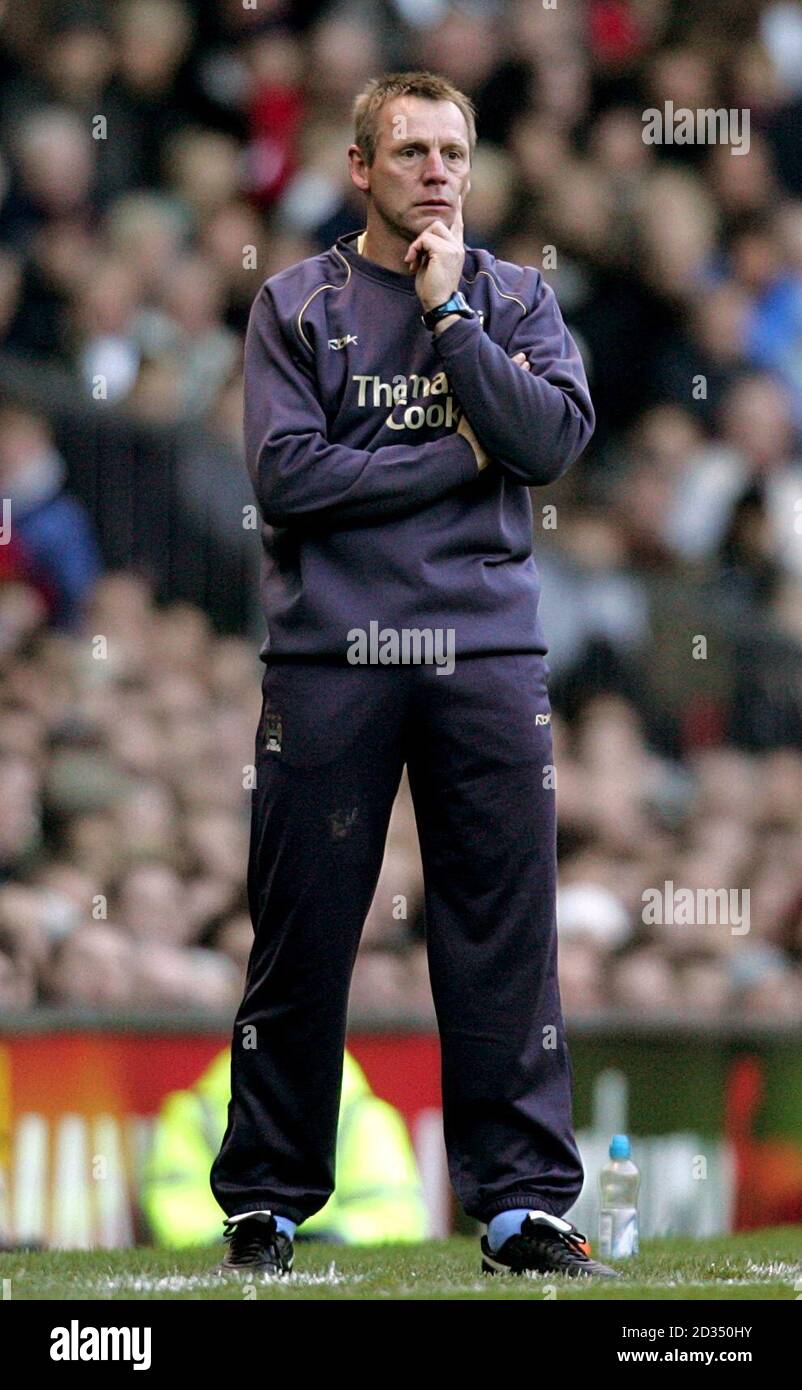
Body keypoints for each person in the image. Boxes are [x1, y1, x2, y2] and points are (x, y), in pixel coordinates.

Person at [210, 71, 619, 1280]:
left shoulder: (514, 299)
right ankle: (266, 1203)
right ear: (358, 167)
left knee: (506, 934)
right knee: (304, 930)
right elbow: (289, 481)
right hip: (331, 656)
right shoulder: (295, 304)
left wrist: (452, 326)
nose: (435, 171)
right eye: (409, 151)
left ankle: (519, 1209)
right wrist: (459, 449)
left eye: (452, 151)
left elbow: (546, 443)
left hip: (486, 656)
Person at [141, 1048, 428, 1248]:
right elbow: (175, 1210)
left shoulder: (363, 1115)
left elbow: (395, 1213)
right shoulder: (195, 1113)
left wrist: (328, 1239)